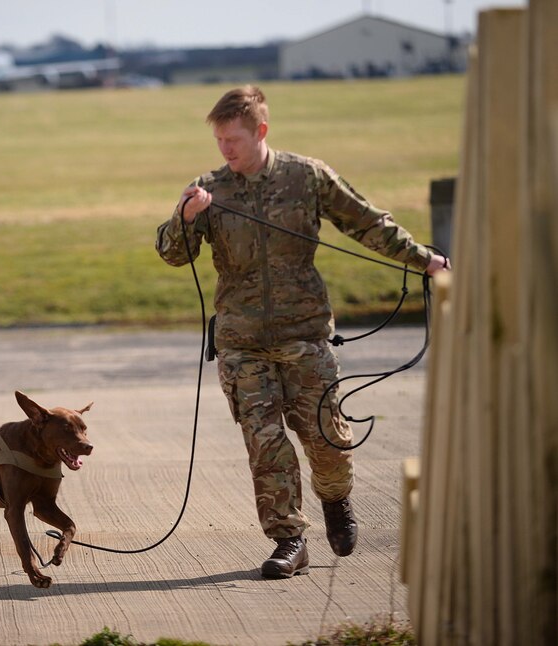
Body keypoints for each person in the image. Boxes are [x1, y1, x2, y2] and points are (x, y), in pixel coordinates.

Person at [155, 85, 449, 579]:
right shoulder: (209, 188)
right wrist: (184, 218)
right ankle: (289, 540)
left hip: (305, 333)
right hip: (241, 341)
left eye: (235, 140)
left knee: (325, 440)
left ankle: (336, 500)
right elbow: (172, 253)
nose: (227, 150)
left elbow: (367, 223)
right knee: (265, 443)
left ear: (261, 131)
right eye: (220, 141)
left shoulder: (305, 177)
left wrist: (425, 259)